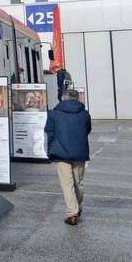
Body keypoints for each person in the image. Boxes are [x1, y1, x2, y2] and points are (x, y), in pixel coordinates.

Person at [44, 89, 92, 225]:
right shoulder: (85, 114)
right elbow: (88, 129)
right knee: (78, 182)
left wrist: (51, 149)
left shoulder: (54, 114)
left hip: (60, 152)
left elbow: (49, 132)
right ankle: (78, 208)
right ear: (77, 99)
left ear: (63, 98)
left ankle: (72, 213)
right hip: (80, 152)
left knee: (67, 184)